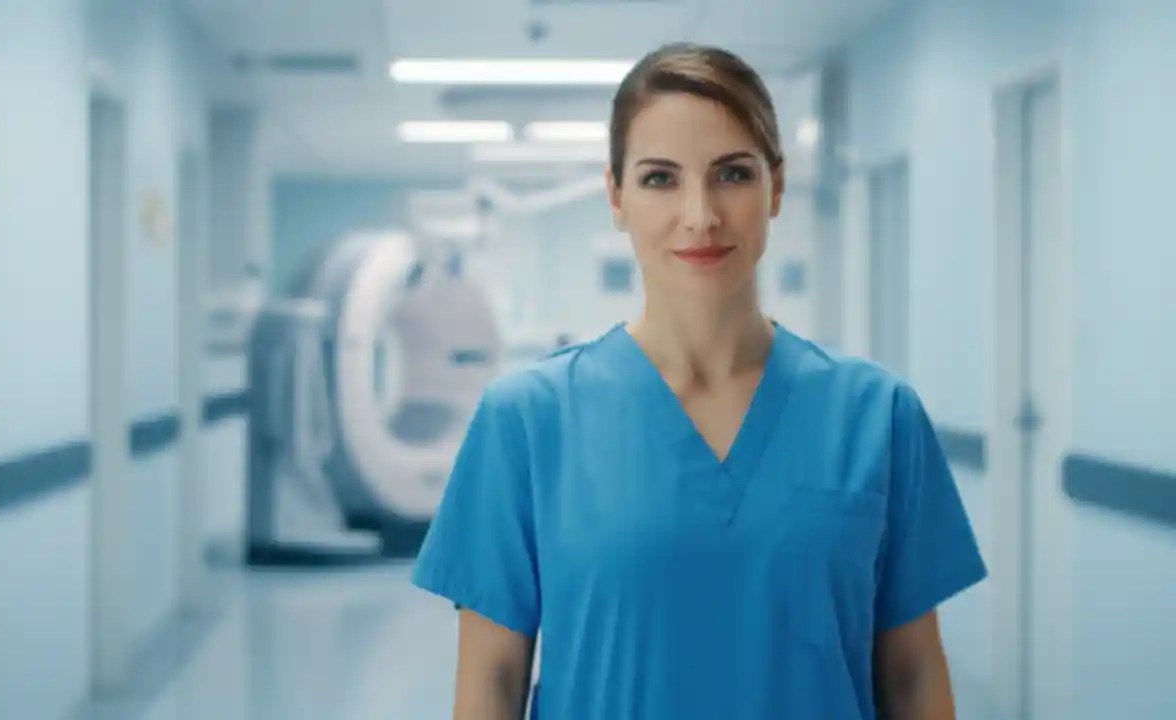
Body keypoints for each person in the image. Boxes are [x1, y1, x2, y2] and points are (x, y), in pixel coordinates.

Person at [411, 42, 987, 720]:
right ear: (616, 195)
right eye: (660, 178)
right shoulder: (529, 421)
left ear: (776, 186)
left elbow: (914, 675)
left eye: (733, 174)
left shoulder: (876, 416)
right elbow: (491, 682)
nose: (700, 215)